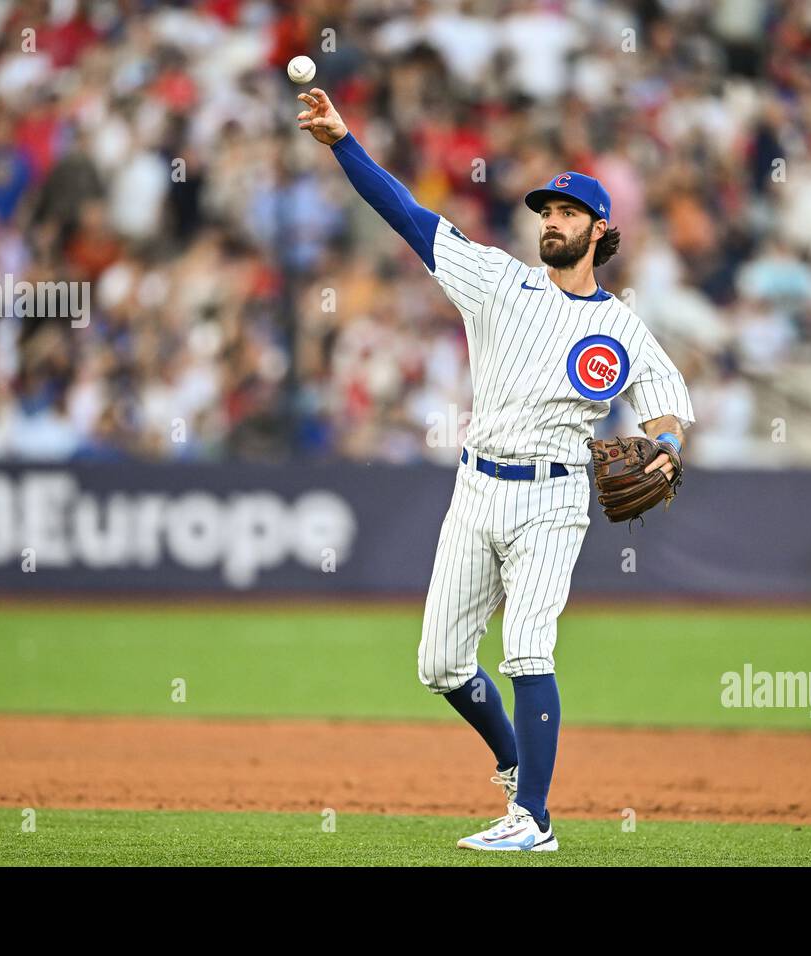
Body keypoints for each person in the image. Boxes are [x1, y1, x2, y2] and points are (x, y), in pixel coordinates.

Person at [297, 88, 694, 851]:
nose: (552, 220)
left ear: (599, 229)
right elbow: (407, 214)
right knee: (440, 663)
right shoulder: (496, 281)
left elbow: (664, 410)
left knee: (528, 646)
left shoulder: (620, 326)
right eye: (546, 211)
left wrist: (669, 449)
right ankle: (517, 767)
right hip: (477, 487)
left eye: (568, 213)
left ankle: (534, 820)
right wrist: (345, 140)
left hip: (553, 499)